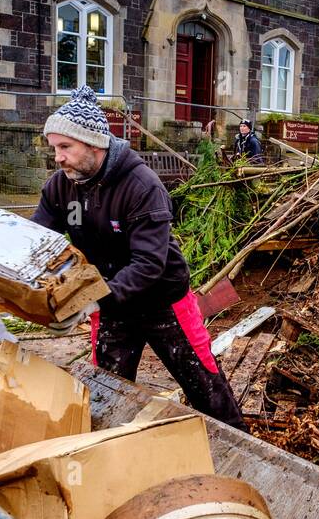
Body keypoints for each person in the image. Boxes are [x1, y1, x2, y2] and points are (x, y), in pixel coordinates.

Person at [32, 87, 245, 429]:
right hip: (111, 305)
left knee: (203, 382)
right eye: (55, 148)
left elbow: (148, 264)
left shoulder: (141, 186)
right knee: (104, 391)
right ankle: (106, 453)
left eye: (65, 147)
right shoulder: (61, 187)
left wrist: (92, 299)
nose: (57, 157)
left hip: (163, 301)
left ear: (93, 143)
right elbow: (38, 240)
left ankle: (240, 446)